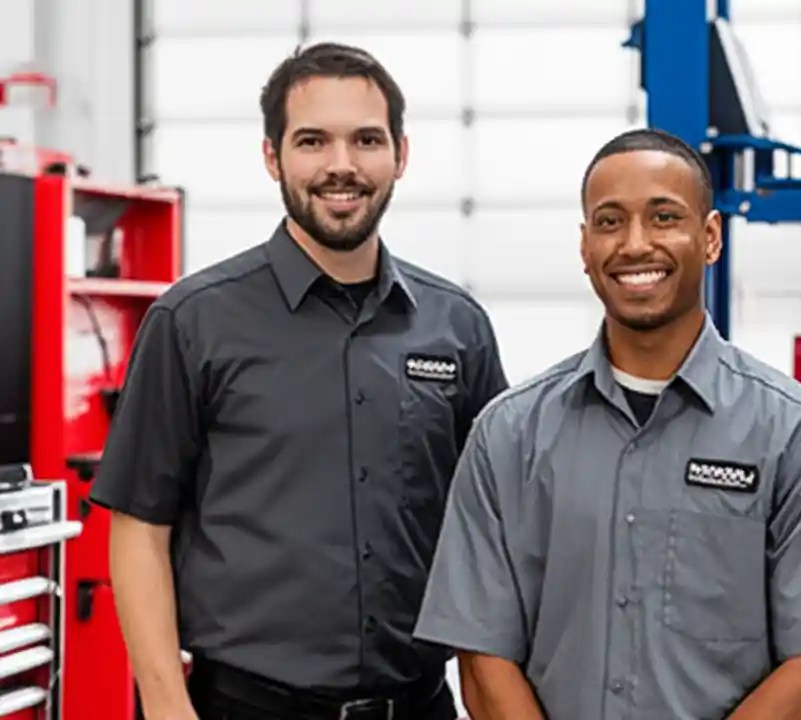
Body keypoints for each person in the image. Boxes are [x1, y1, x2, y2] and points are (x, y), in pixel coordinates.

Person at [412, 128, 801, 719]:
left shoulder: (800, 437)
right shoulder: (507, 437)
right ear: (585, 246)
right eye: (610, 221)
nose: (635, 244)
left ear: (711, 236)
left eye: (664, 216)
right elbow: (483, 661)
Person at [89, 42, 508, 720]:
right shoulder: (194, 321)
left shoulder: (456, 328)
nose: (341, 166)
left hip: (420, 705)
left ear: (400, 154)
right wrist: (167, 708)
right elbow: (139, 527)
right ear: (272, 156)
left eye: (366, 140)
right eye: (313, 140)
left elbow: (494, 534)